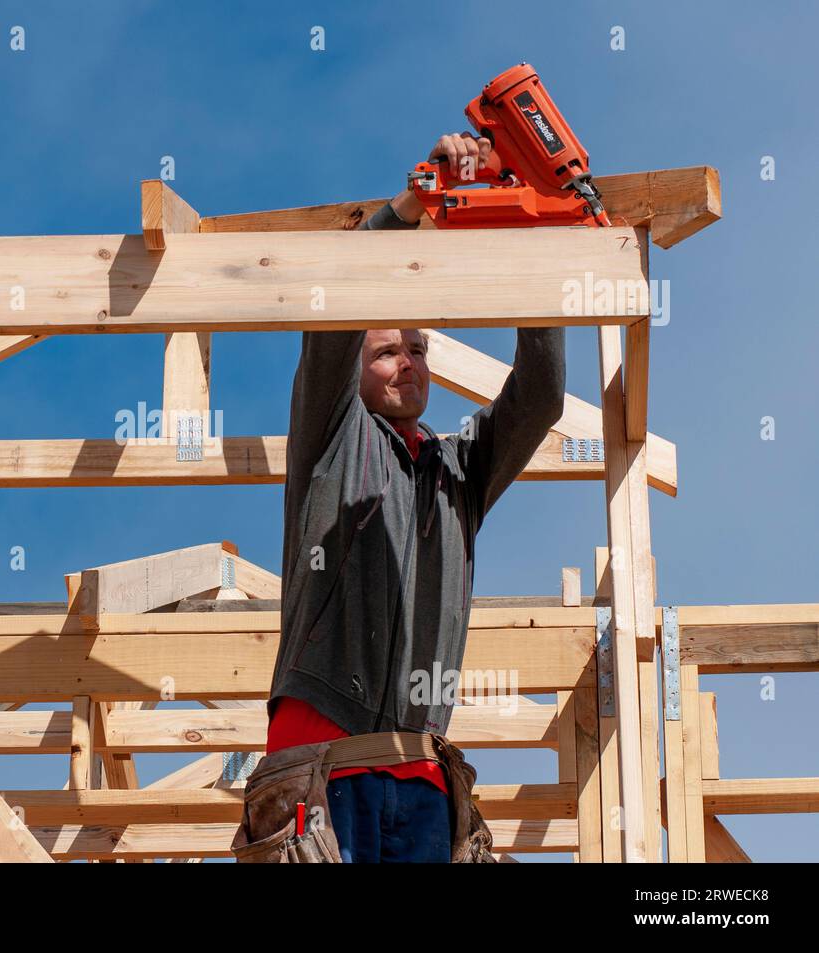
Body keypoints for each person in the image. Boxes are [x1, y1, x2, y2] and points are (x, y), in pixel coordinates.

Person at [264, 132, 567, 862]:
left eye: (420, 349)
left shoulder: (457, 474)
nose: (409, 362)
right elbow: (334, 314)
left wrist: (533, 245)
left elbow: (541, 399)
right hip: (322, 764)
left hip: (424, 775)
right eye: (388, 351)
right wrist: (418, 197)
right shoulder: (331, 434)